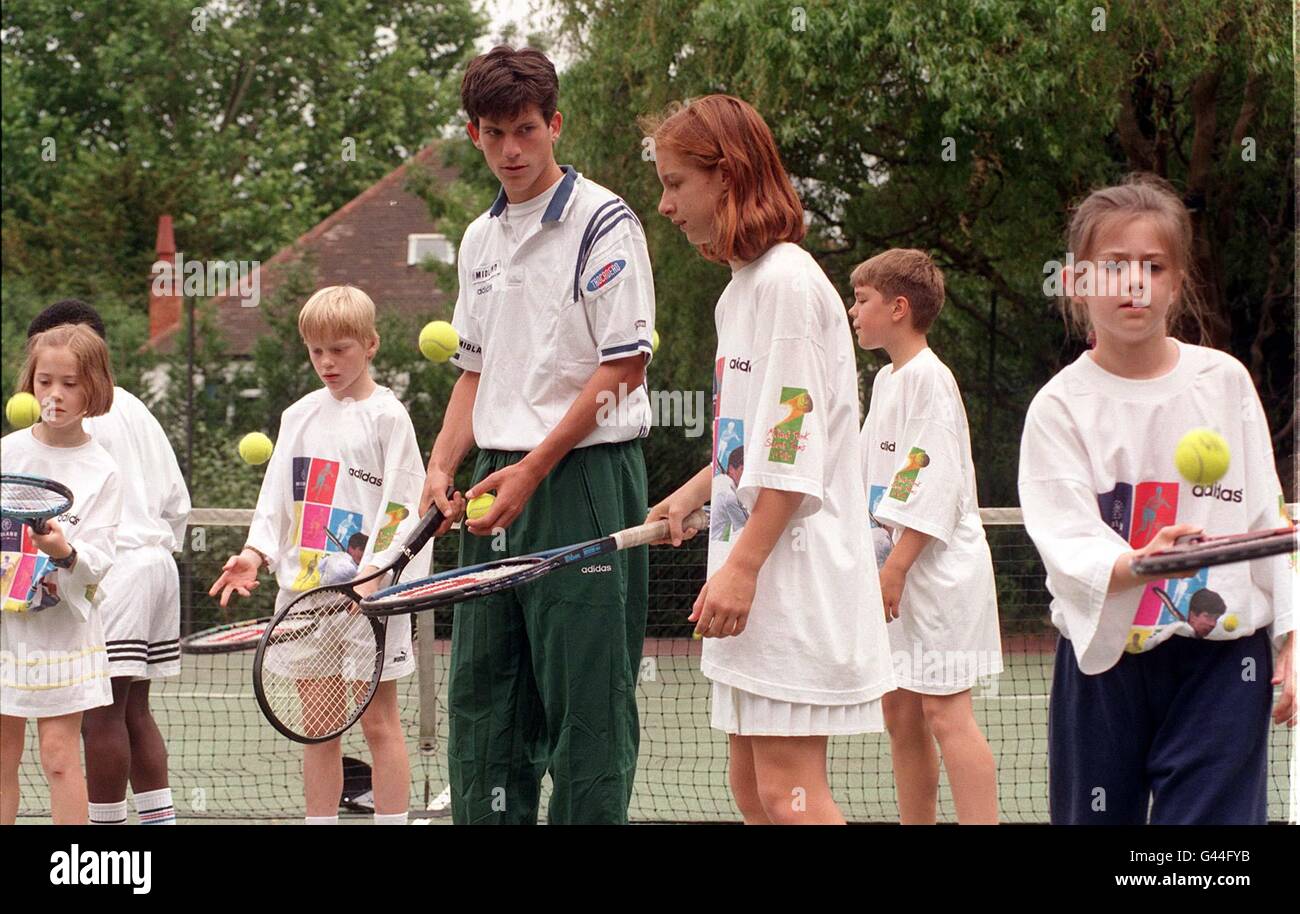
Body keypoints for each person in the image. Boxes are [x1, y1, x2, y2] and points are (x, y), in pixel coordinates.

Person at [419, 45, 655, 824]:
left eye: (526, 130)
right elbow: (476, 373)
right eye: (494, 134)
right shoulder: (478, 242)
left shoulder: (605, 221)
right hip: (491, 485)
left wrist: (531, 471)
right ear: (474, 134)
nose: (512, 150)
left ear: (555, 124)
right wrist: (440, 465)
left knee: (586, 709)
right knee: (483, 703)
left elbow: (624, 369)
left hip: (584, 481)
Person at [643, 94, 894, 824]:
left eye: (674, 182)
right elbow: (750, 434)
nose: (664, 204)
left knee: (790, 798)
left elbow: (793, 448)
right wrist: (692, 496)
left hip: (788, 576)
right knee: (753, 790)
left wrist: (744, 565)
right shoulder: (742, 289)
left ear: (727, 176)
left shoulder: (786, 281)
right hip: (752, 569)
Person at [1019, 173, 1295, 824]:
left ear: (1176, 283)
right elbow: (1064, 534)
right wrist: (1138, 564)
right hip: (1103, 667)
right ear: (1078, 282)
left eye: (1153, 265)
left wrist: (1293, 638)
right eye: (1113, 266)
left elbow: (1267, 522)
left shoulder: (1224, 382)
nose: (1134, 282)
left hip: (1225, 666)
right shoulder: (1058, 407)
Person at [209, 285, 429, 825]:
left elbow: (403, 505)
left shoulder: (388, 416)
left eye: (341, 349)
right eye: (316, 351)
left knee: (379, 725)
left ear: (371, 344)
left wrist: (375, 577)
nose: (327, 362)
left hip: (373, 599)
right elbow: (276, 496)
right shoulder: (298, 415)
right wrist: (255, 553)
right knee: (319, 726)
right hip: (307, 598)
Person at [849, 249, 1002, 824]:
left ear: (899, 306)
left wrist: (896, 566)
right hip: (895, 579)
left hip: (935, 579)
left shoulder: (930, 380)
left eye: (862, 300)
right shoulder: (888, 380)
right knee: (901, 716)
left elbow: (928, 476)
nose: (853, 311)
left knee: (946, 716)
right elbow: (866, 479)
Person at [27, 299, 190, 826]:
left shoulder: (76, 422)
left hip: (113, 571)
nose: (52, 387)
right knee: (133, 711)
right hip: (155, 564)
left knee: (100, 715)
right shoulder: (137, 406)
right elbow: (176, 503)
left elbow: (67, 521)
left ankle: (105, 842)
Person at [0, 324, 122, 824]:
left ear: (94, 387)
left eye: (70, 383)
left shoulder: (103, 469)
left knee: (57, 759)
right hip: (6, 630)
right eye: (45, 380)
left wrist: (64, 551)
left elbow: (100, 561)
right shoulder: (7, 452)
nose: (55, 394)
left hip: (63, 635)